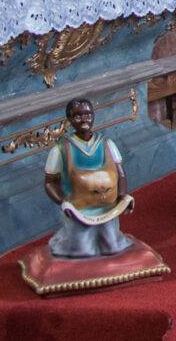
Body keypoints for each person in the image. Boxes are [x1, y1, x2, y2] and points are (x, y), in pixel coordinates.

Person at [42, 99, 133, 259]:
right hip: (79, 211)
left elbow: (121, 174)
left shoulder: (107, 144)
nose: (84, 120)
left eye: (87, 115)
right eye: (77, 116)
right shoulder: (61, 150)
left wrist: (122, 196)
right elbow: (50, 182)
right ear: (69, 120)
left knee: (112, 247)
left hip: (108, 209)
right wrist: (64, 202)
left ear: (93, 116)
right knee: (83, 251)